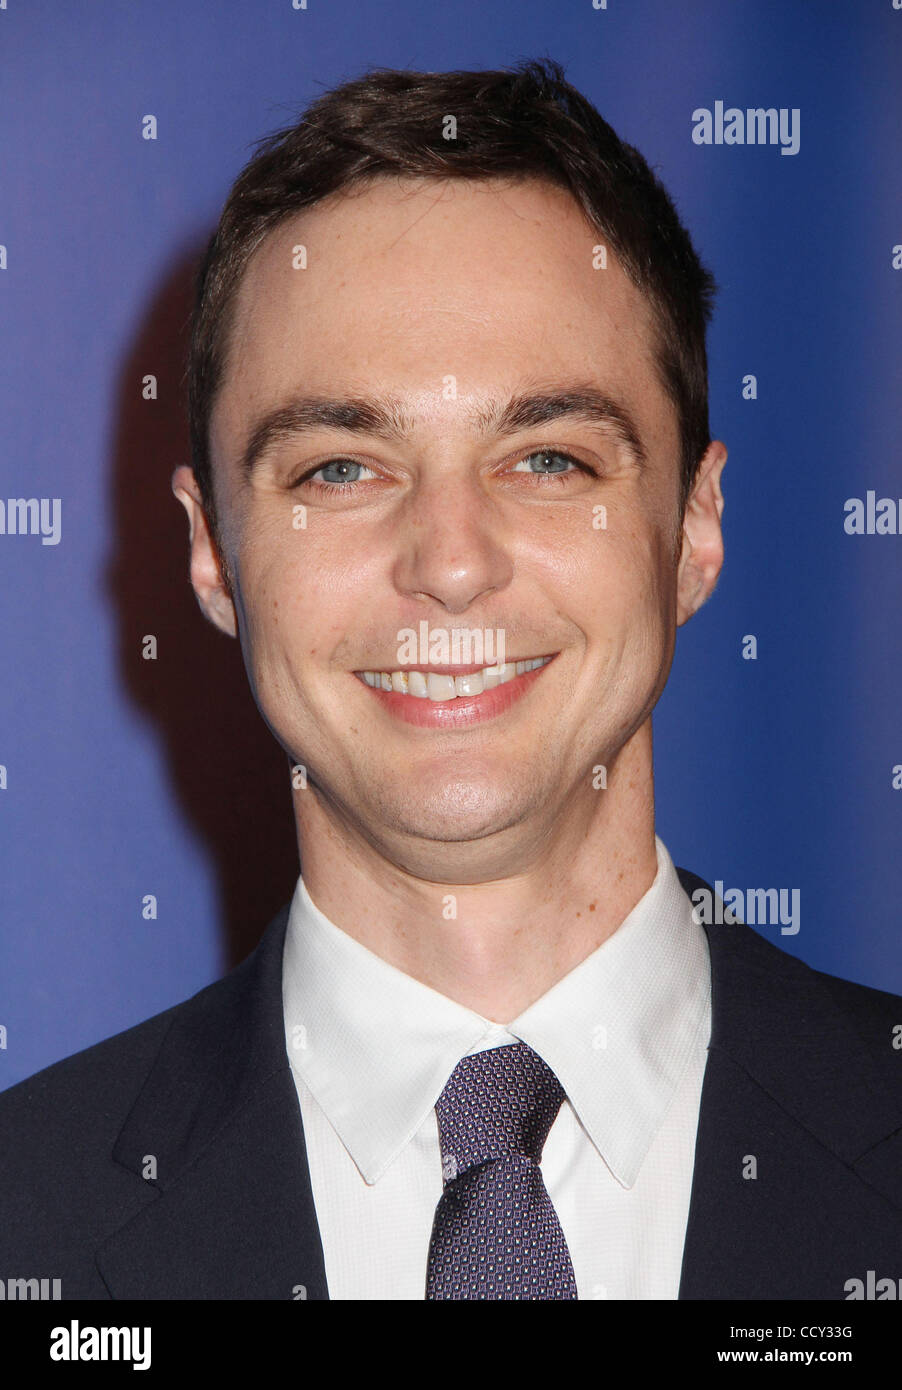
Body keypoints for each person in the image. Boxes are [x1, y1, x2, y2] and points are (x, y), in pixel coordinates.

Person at [1, 58, 900, 1302]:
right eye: (337, 469)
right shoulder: (22, 1222)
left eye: (544, 457)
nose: (450, 564)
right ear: (210, 552)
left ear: (693, 525)